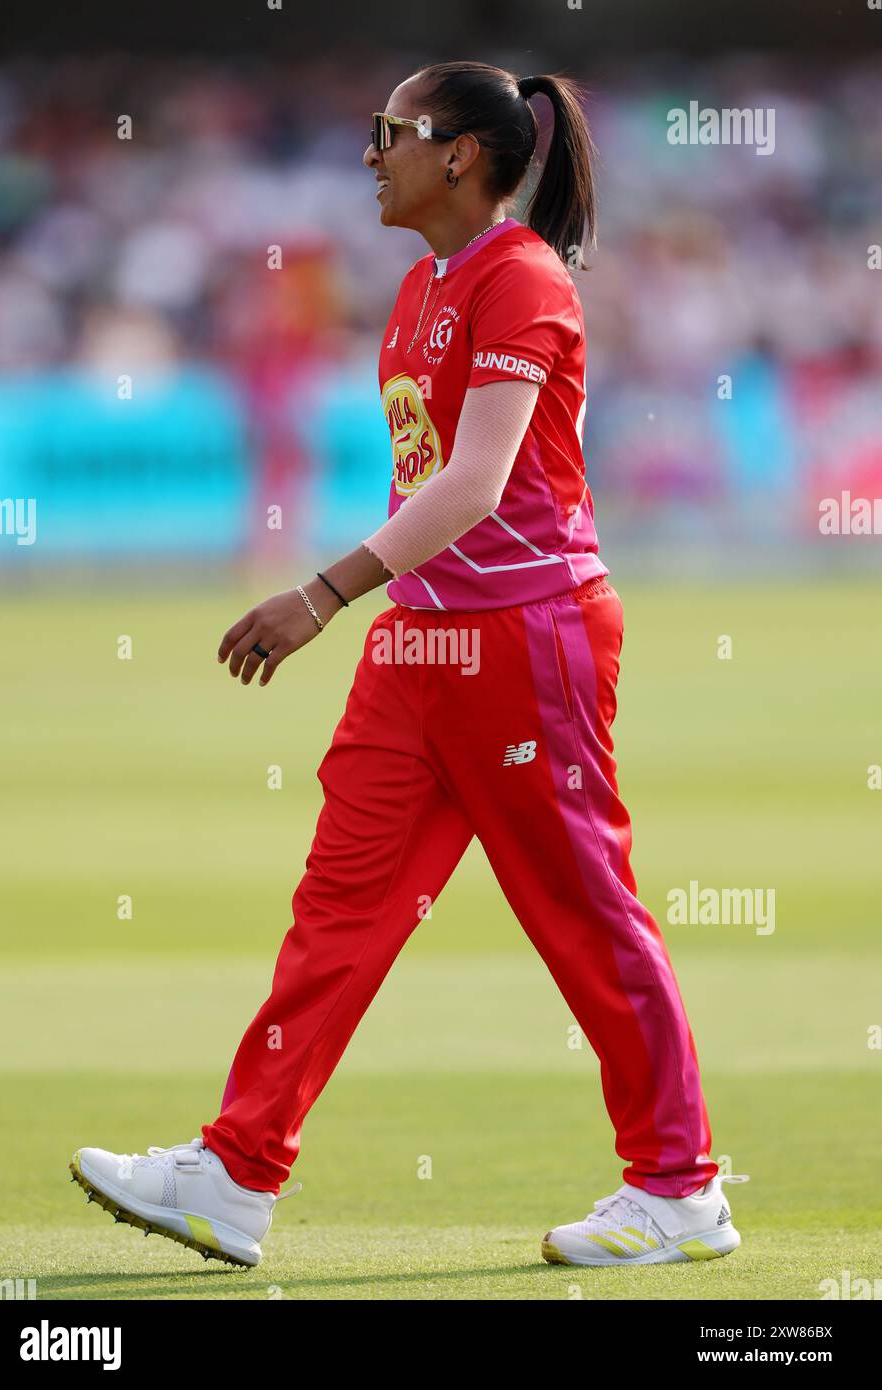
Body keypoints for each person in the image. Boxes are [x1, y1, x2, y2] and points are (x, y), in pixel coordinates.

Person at [71, 60, 746, 1270]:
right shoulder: (417, 287)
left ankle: (680, 1186)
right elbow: (425, 473)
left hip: (527, 637)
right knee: (340, 907)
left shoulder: (524, 279)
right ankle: (235, 1171)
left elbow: (478, 483)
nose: (371, 150)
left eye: (393, 131)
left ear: (462, 155)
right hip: (422, 646)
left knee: (583, 908)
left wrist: (322, 594)